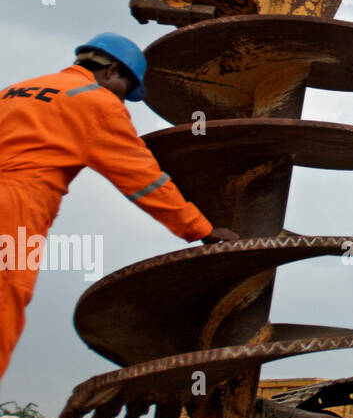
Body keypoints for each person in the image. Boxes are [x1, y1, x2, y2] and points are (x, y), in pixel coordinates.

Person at [0, 32, 238, 386]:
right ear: (112, 71)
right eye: (127, 90)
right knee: (5, 296)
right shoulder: (97, 102)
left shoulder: (17, 89)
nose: (124, 100)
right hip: (16, 203)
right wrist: (199, 228)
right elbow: (144, 181)